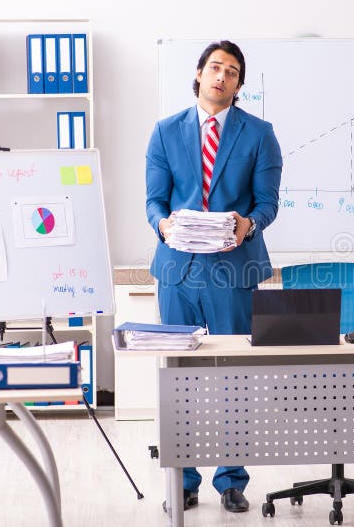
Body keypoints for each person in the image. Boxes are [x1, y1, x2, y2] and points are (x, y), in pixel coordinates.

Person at [145, 40, 283, 513]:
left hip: (233, 268)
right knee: (180, 380)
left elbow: (268, 202)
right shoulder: (165, 132)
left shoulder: (259, 134)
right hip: (178, 271)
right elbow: (154, 201)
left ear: (239, 85)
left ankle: (232, 479)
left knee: (234, 380)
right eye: (215, 68)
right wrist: (163, 225)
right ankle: (183, 479)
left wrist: (249, 224)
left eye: (232, 72)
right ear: (199, 74)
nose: (222, 77)